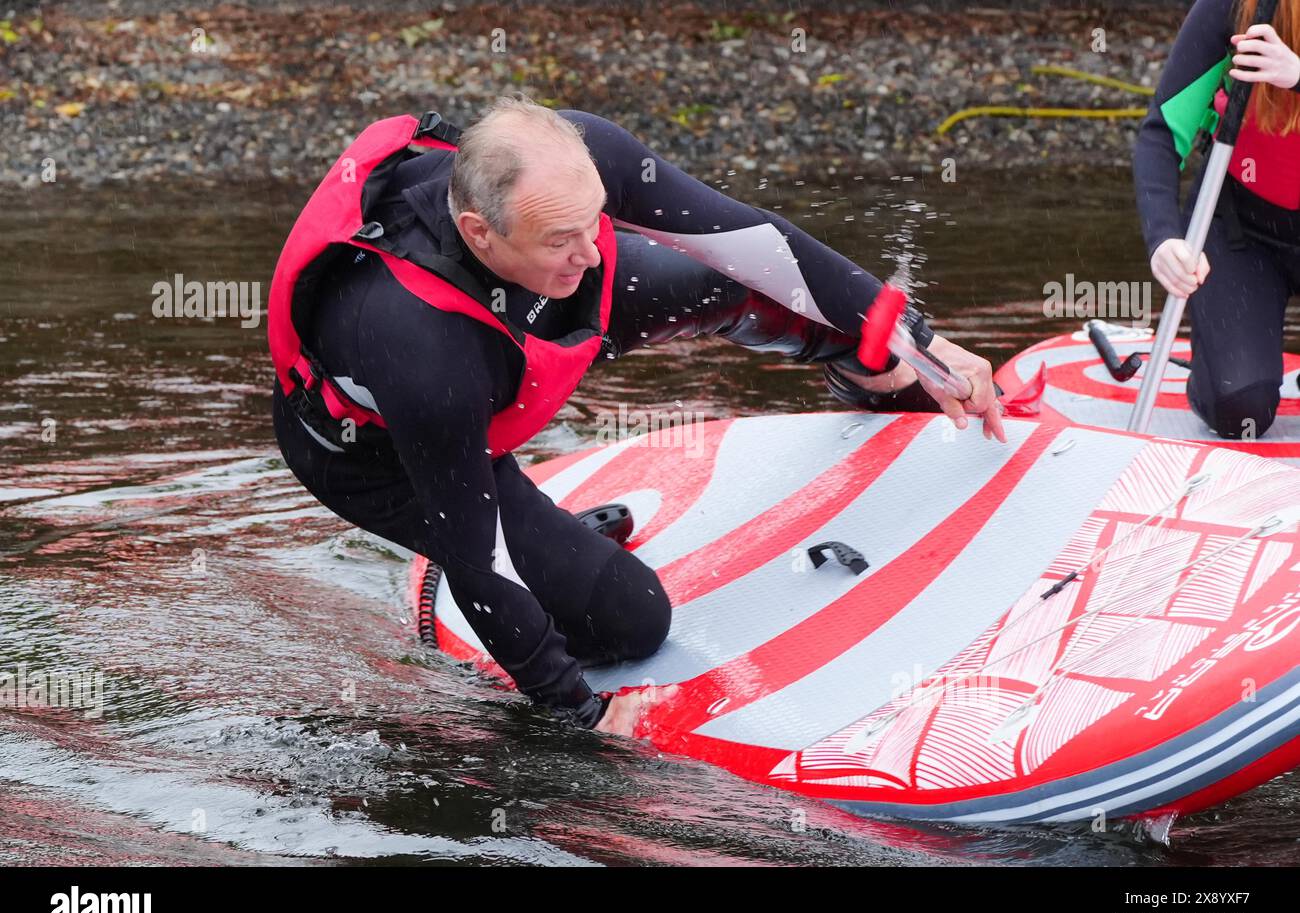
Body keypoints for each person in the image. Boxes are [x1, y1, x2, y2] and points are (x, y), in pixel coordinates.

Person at [268, 95, 1005, 736]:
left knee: (735, 282)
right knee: (633, 623)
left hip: (521, 322)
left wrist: (922, 341)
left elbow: (759, 244)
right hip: (384, 453)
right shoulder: (418, 347)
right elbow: (477, 562)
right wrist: (582, 720)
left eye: (594, 222)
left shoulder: (572, 171)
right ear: (479, 231)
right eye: (562, 238)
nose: (591, 253)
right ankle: (562, 550)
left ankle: (871, 373)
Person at [1134, 0, 1300, 439]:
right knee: (1239, 408)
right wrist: (1163, 238)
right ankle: (1218, 365)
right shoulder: (1235, 9)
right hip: (1243, 231)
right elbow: (1162, 132)